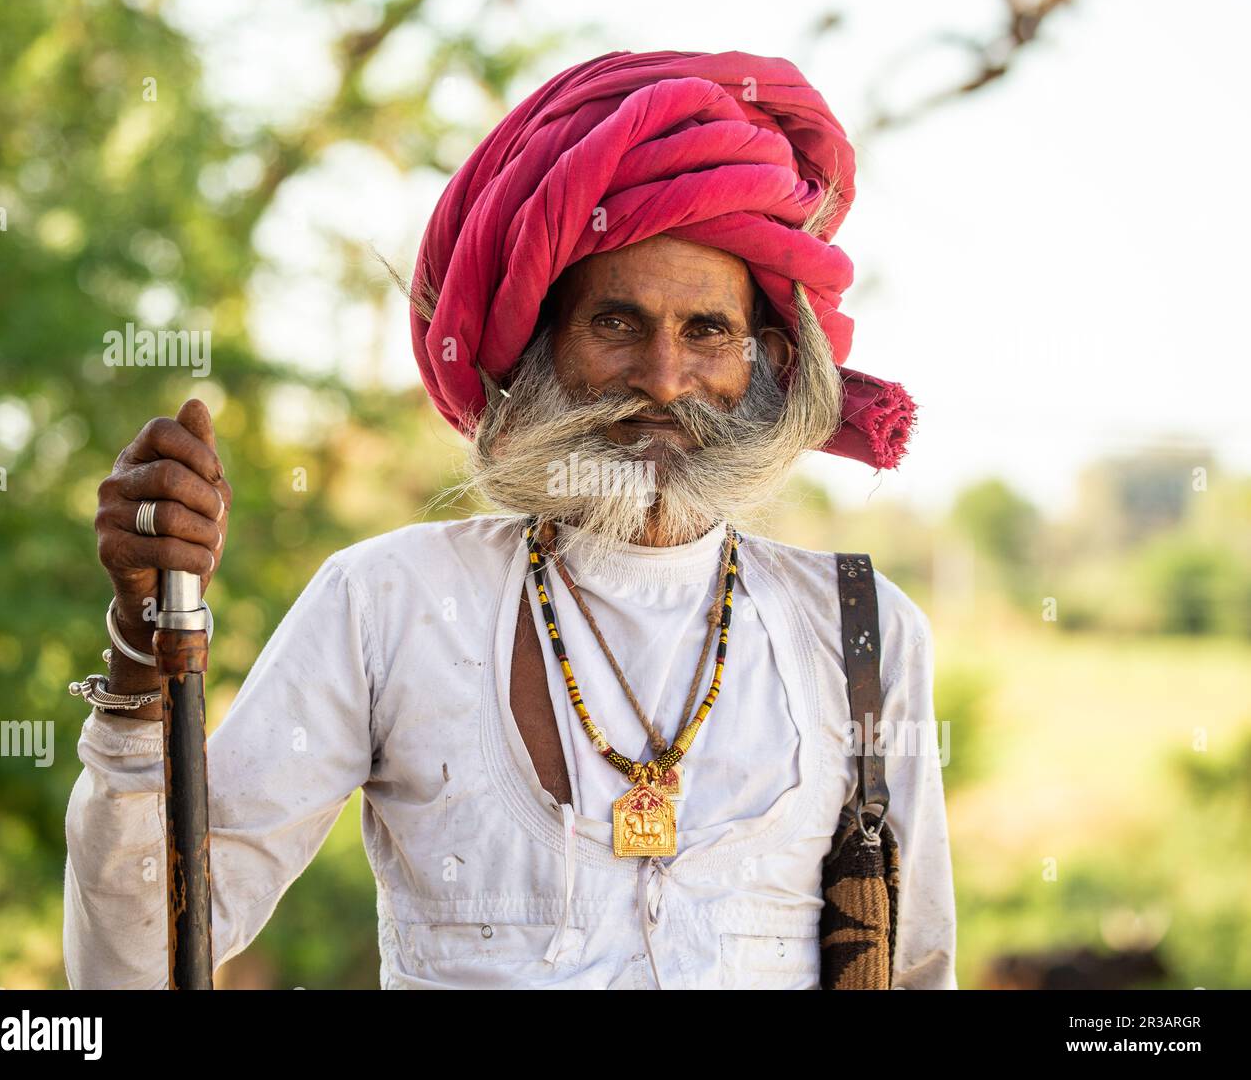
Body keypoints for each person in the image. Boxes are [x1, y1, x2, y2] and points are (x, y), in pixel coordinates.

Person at [63, 49, 955, 989]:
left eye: (706, 331)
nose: (662, 378)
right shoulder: (389, 603)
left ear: (764, 362)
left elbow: (917, 968)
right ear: (538, 348)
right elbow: (143, 965)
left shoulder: (864, 633)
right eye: (616, 324)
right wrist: (141, 648)